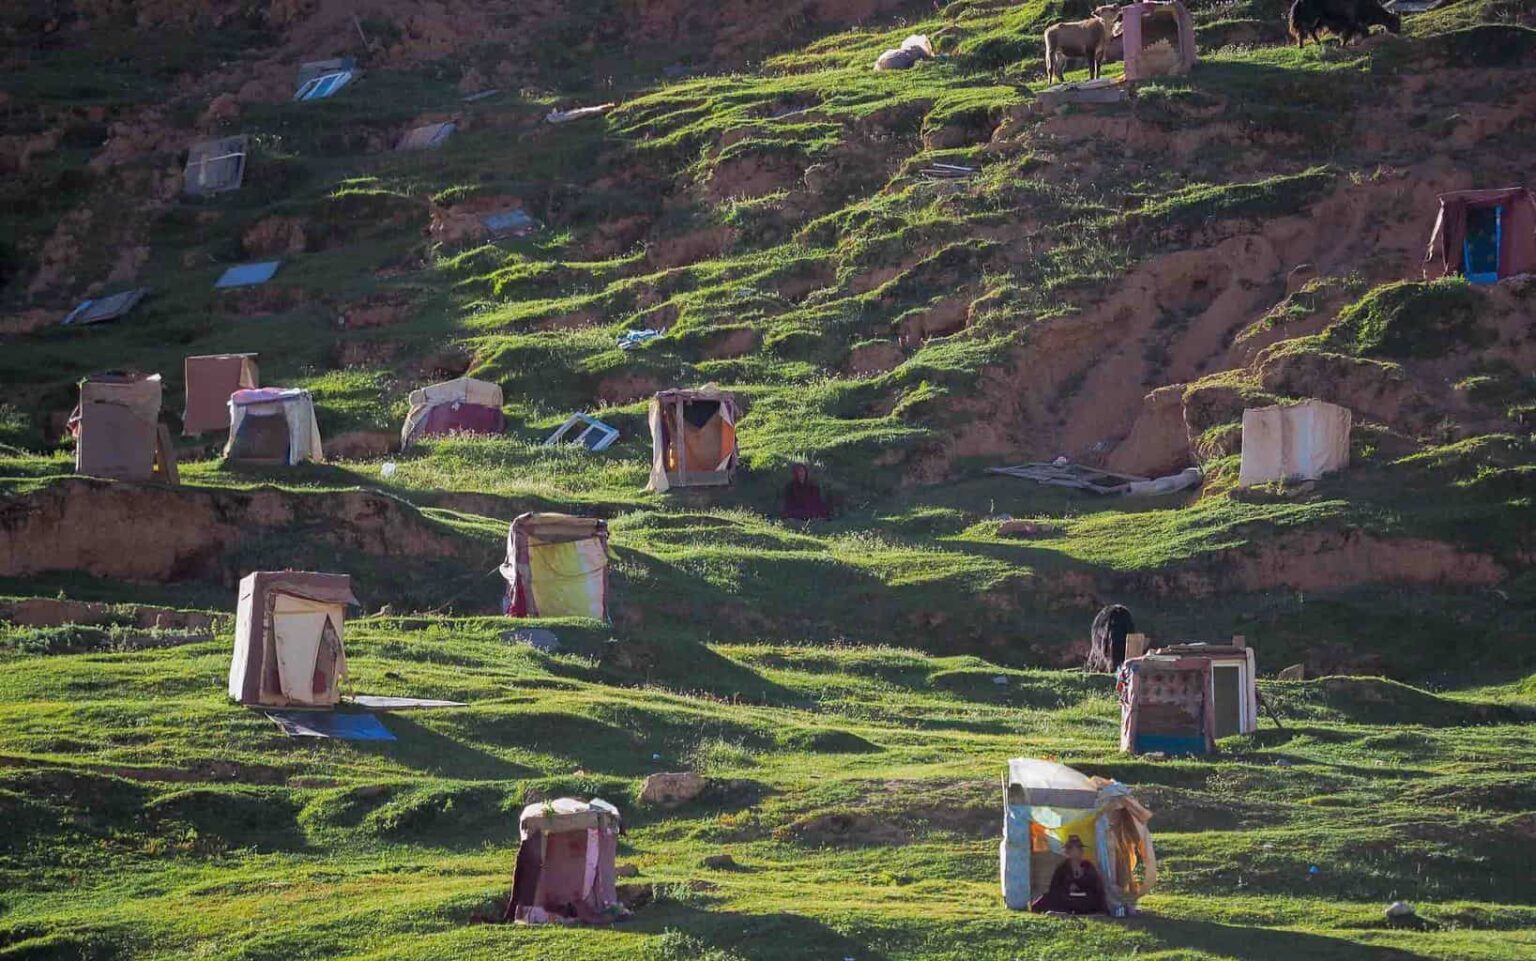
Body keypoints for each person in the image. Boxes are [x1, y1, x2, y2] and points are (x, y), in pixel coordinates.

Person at [1030, 835, 1106, 915]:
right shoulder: (1062, 868)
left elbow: (1096, 887)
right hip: (1067, 898)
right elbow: (1054, 888)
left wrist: (1081, 884)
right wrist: (1067, 887)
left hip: (1084, 899)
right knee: (1049, 898)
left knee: (1092, 900)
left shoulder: (1088, 866)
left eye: (1080, 849)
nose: (1079, 851)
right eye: (1075, 849)